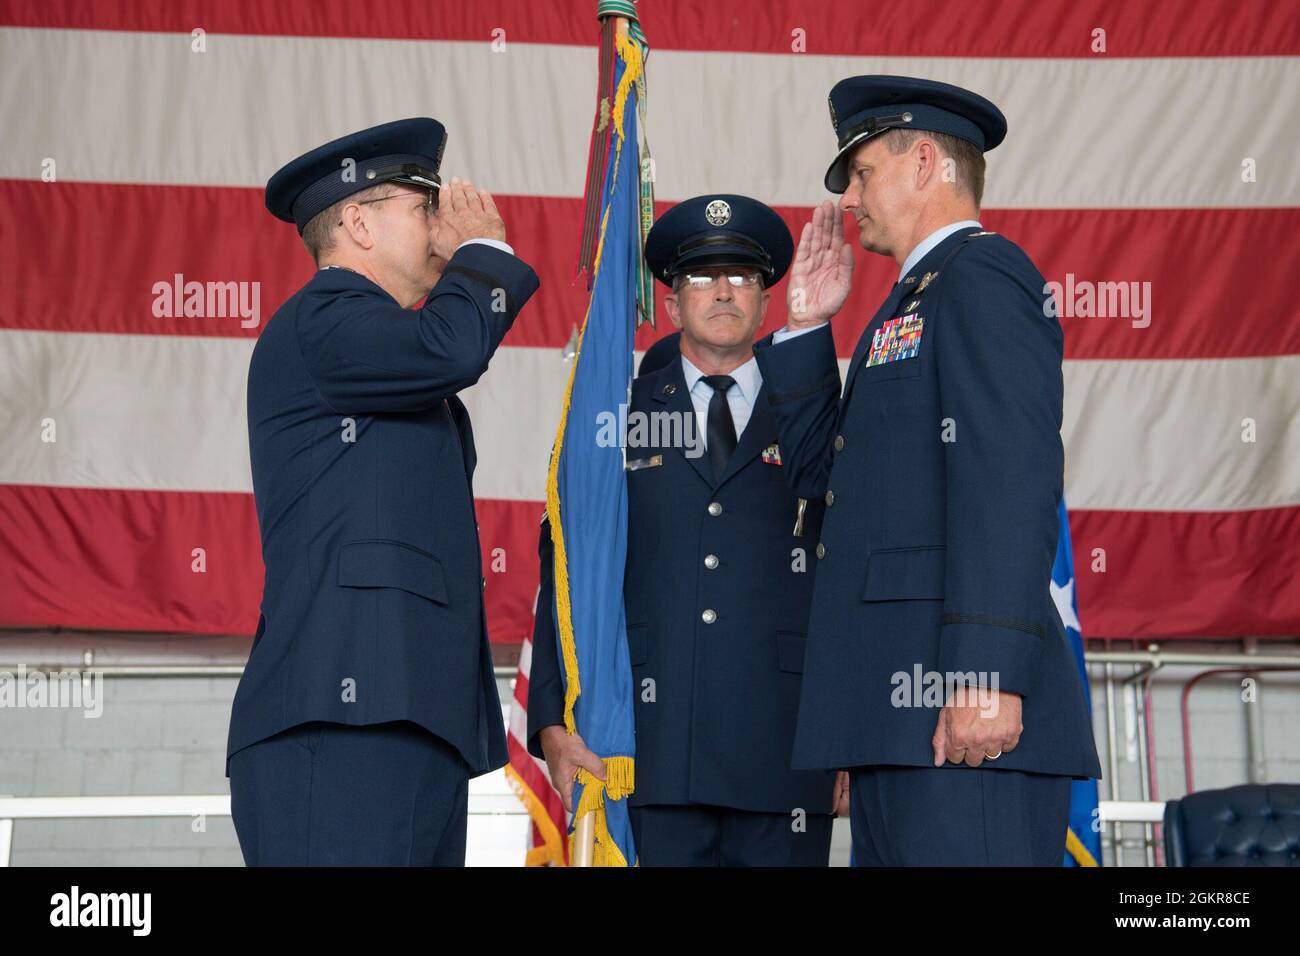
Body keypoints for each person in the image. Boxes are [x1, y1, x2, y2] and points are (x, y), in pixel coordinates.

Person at [752, 77, 1101, 866]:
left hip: (963, 714)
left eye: (863, 173)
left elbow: (1009, 480)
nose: (852, 200)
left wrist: (986, 674)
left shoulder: (983, 278)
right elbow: (822, 483)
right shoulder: (906, 305)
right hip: (899, 720)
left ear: (921, 163)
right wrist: (809, 326)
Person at [226, 117, 540, 865]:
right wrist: (484, 253)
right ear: (358, 223)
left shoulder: (376, 349)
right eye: (422, 205)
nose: (440, 224)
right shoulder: (328, 314)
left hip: (403, 715)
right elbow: (454, 346)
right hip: (343, 719)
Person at [529, 195, 843, 866]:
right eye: (701, 276)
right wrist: (553, 723)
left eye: (742, 276)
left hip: (786, 753)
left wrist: (851, 729)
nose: (723, 290)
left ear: (765, 298)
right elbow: (569, 567)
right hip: (653, 751)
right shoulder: (618, 413)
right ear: (671, 304)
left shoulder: (814, 407)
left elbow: (847, 569)